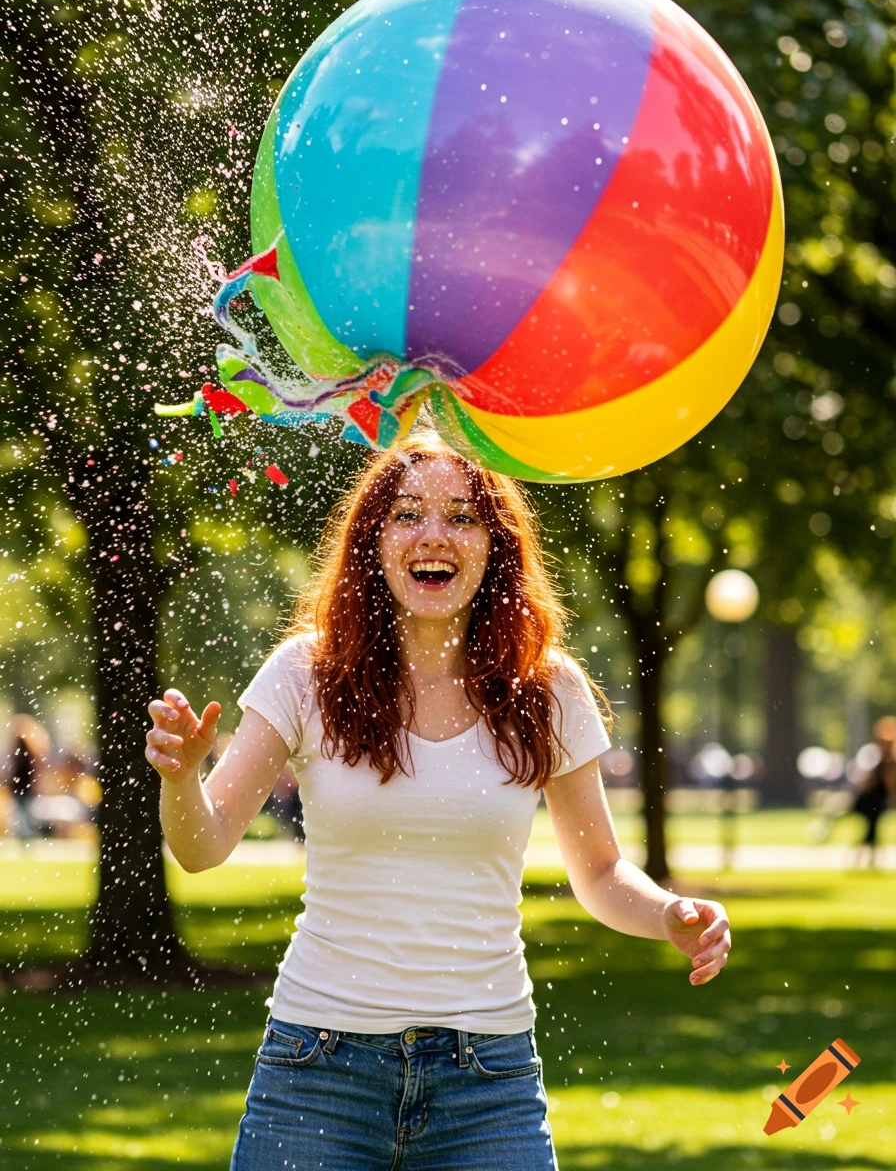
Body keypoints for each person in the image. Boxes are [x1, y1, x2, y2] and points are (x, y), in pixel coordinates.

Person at [145, 431, 731, 1171]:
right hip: (317, 1069)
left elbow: (601, 871)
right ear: (372, 541)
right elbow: (202, 847)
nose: (433, 535)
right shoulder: (305, 673)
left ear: (495, 546)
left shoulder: (547, 690)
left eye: (462, 517)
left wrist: (667, 914)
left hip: (487, 1079)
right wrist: (180, 780)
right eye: (406, 514)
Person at [852, 716, 896, 869]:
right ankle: (864, 861)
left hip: (878, 801)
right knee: (870, 832)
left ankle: (867, 861)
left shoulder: (889, 761)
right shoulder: (873, 756)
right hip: (869, 800)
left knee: (871, 832)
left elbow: (890, 784)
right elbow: (866, 781)